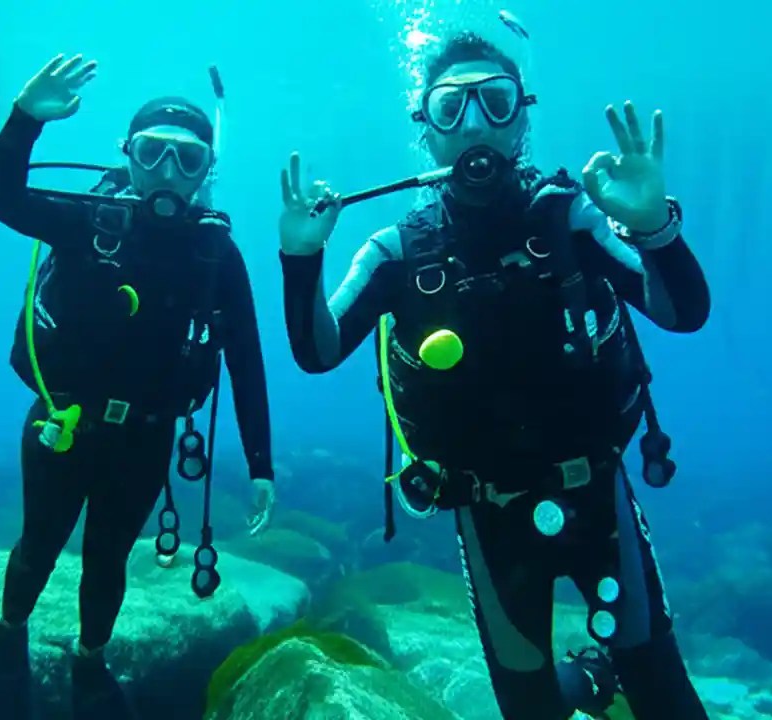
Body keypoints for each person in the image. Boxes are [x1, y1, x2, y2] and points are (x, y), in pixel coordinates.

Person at [278, 30, 711, 720]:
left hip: (594, 491)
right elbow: (317, 351)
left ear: (522, 119)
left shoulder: (570, 217)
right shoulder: (396, 250)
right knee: (529, 710)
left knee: (665, 696)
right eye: (450, 108)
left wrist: (653, 225)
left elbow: (682, 311)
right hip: (489, 512)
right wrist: (301, 259)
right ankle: (593, 680)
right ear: (426, 130)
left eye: (496, 102)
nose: (475, 123)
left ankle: (606, 675)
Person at [0, 53, 277, 720]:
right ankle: (9, 633)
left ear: (207, 173)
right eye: (154, 153)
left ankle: (91, 659)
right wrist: (25, 119)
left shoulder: (215, 254)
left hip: (144, 436)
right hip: (62, 420)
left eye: (188, 161)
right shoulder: (89, 220)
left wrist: (260, 465)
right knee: (39, 544)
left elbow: (247, 360)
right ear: (126, 156)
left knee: (107, 559)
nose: (169, 173)